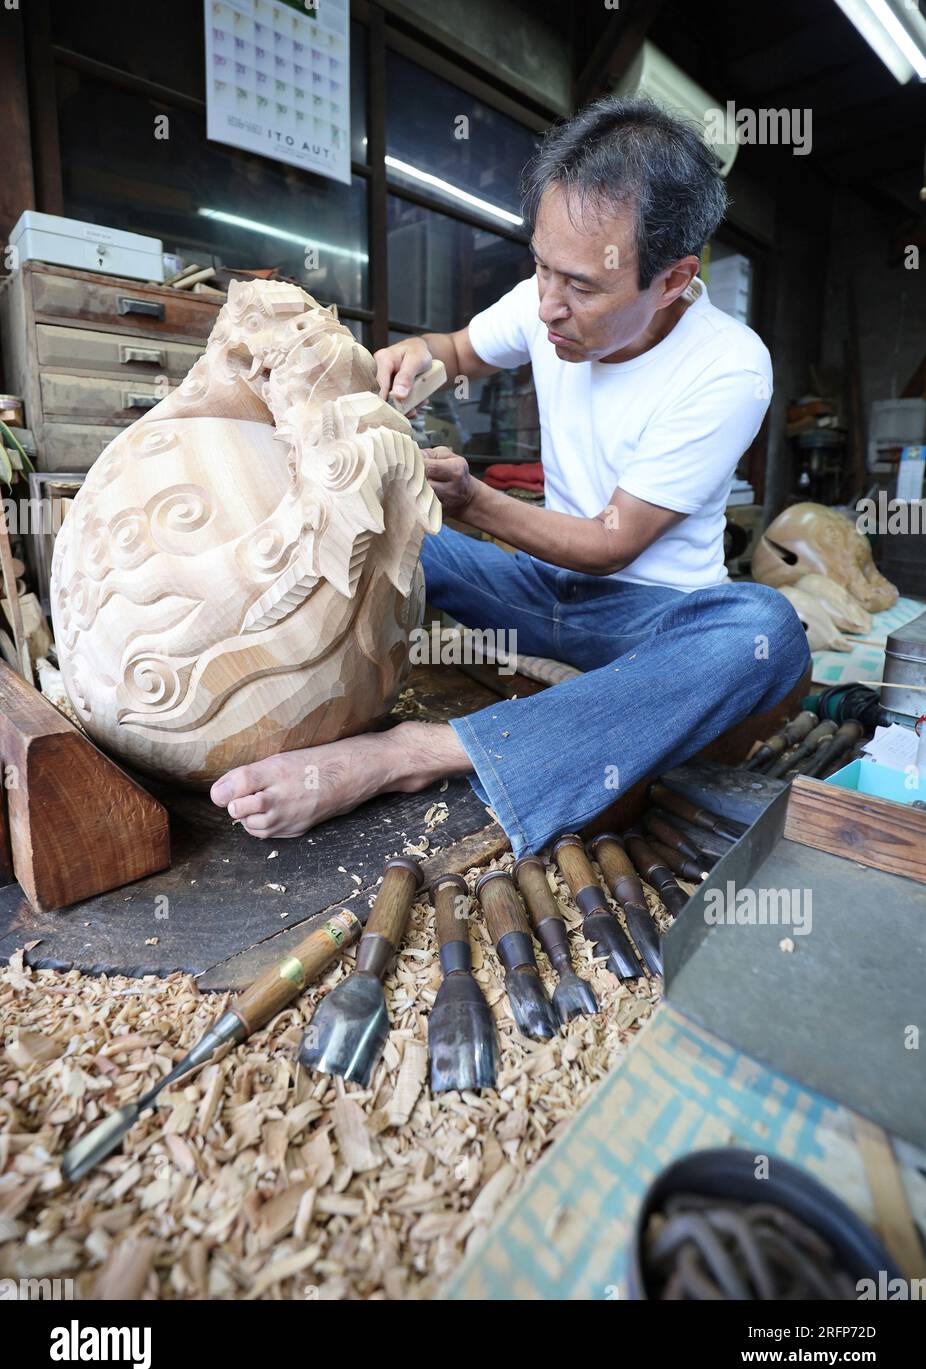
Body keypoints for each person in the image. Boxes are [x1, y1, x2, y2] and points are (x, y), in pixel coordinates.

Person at [211, 96, 809, 854]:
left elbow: (613, 542)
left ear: (672, 279)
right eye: (540, 267)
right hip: (539, 588)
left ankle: (415, 754)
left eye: (583, 287)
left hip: (653, 622)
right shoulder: (545, 297)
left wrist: (473, 500)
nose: (549, 307)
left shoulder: (730, 365)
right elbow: (455, 351)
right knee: (367, 516)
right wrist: (416, 358)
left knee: (766, 632)